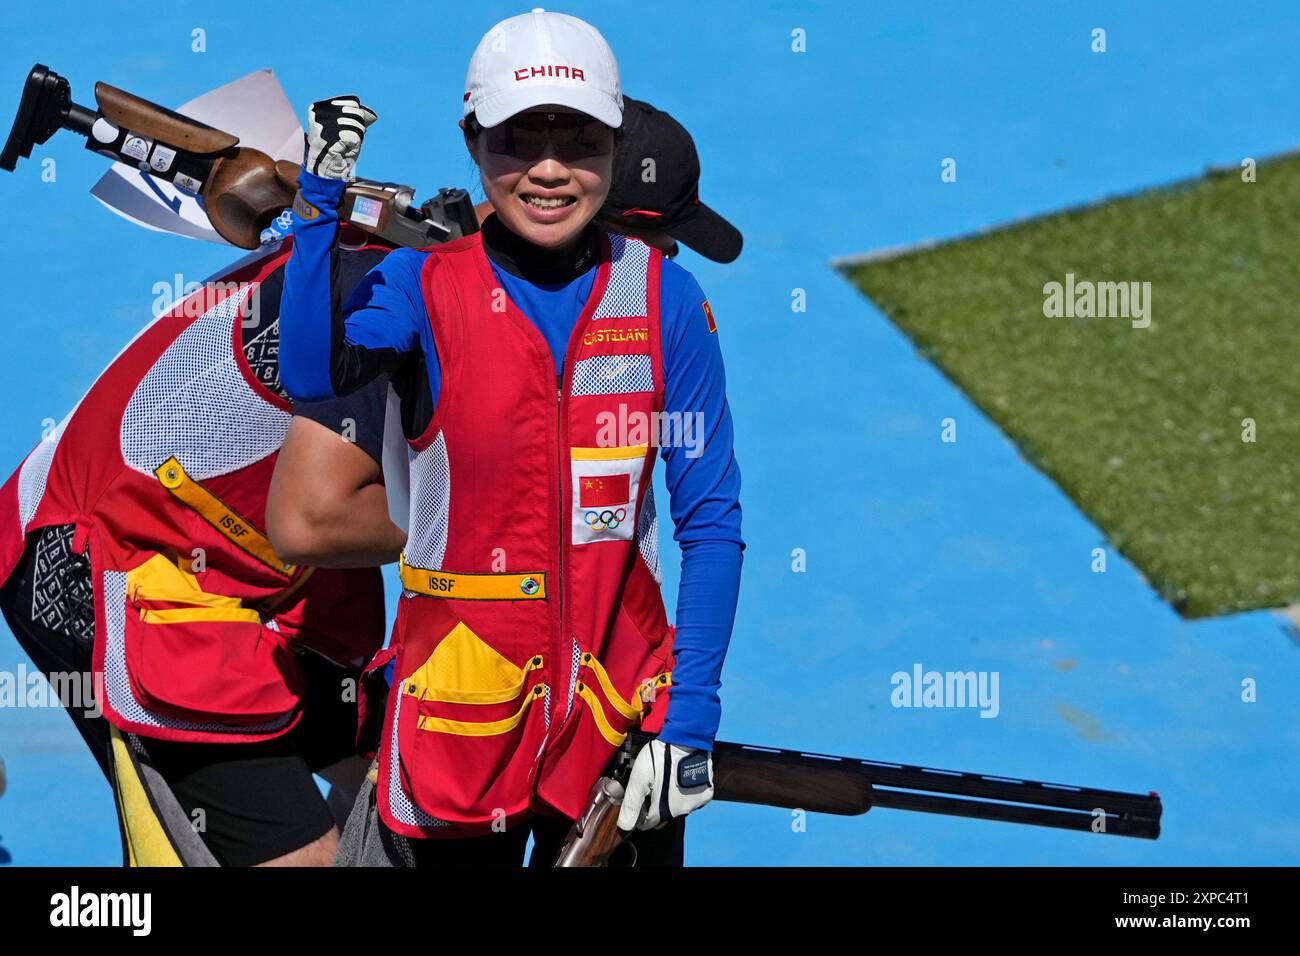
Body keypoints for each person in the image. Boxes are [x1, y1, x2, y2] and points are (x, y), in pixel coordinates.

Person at [275, 9, 744, 865]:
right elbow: (311, 374)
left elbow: (709, 524)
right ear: (471, 141)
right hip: (461, 727)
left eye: (582, 142)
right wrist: (318, 208)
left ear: (612, 142)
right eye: (517, 141)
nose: (551, 171)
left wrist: (692, 720)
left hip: (618, 728)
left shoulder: (667, 301)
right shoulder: (423, 284)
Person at [0, 235, 395, 866]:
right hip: (119, 571)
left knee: (411, 784)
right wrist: (490, 518)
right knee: (303, 858)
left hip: (267, 575)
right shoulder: (367, 294)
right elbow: (318, 519)